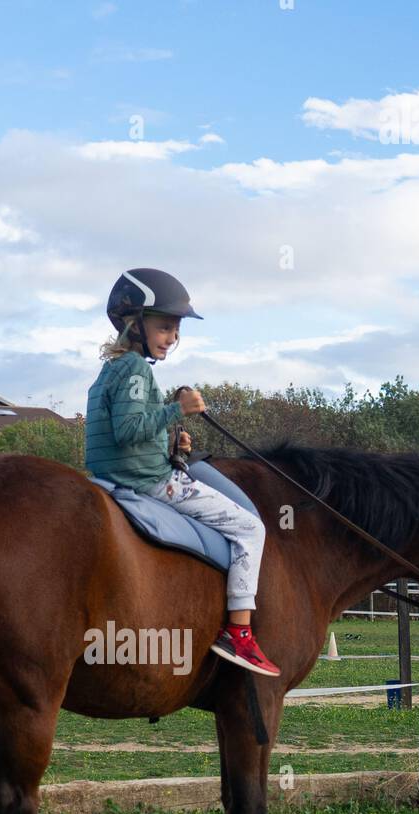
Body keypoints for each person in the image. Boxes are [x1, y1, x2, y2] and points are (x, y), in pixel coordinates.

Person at [85, 267, 280, 676]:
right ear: (133, 323)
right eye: (164, 327)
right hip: (149, 484)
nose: (171, 337)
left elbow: (131, 432)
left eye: (175, 330)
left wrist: (173, 443)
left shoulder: (112, 370)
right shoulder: (136, 370)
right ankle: (239, 634)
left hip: (113, 477)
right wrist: (179, 410)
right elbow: (127, 431)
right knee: (251, 529)